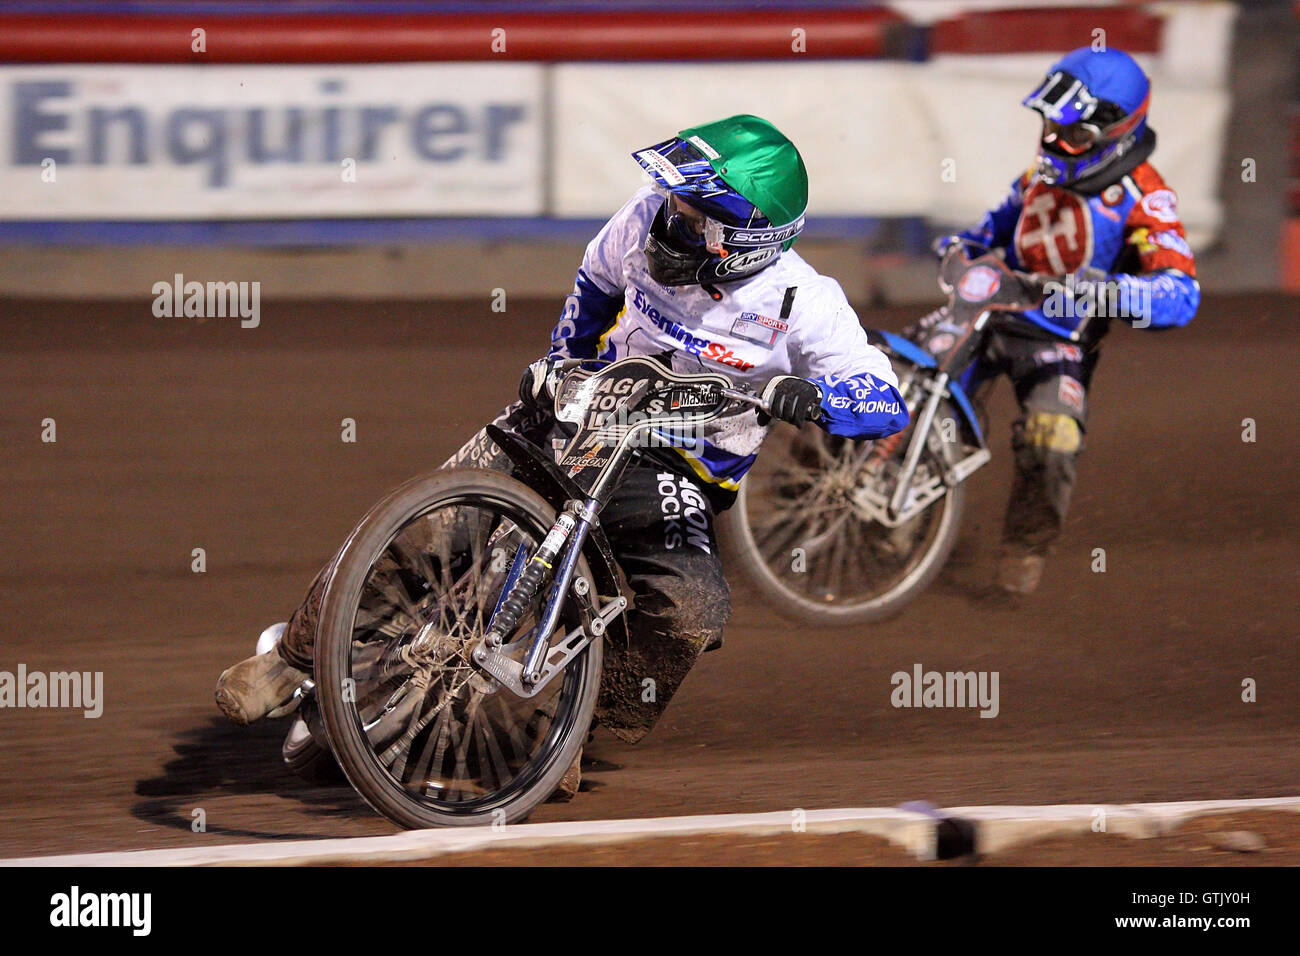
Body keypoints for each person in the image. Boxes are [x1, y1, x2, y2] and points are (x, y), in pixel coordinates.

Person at [214, 115, 908, 781]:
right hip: (583, 412)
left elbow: (884, 399)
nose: (672, 221)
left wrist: (819, 399)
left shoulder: (806, 304)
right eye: (678, 205)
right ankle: (298, 657)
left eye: (698, 219)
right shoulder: (642, 214)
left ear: (749, 239)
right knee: (434, 519)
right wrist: (561, 369)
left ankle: (571, 731)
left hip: (678, 464)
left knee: (692, 607)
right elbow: (596, 283)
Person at [917, 47, 1200, 595]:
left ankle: (1025, 548)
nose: (1052, 141)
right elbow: (984, 235)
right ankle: (850, 511)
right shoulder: (1035, 178)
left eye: (1071, 133)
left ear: (1116, 132)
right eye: (1049, 125)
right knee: (894, 388)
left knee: (1054, 433)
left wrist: (1107, 292)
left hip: (1057, 337)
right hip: (988, 313)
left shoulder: (1146, 197)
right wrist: (957, 250)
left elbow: (1180, 292)